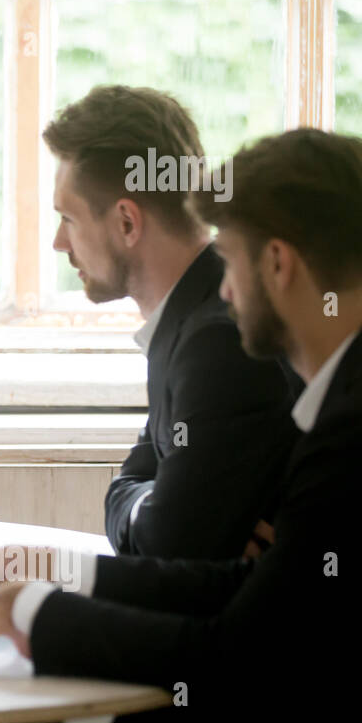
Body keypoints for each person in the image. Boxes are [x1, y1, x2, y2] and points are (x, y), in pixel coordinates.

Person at [0, 127, 362, 723]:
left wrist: (36, 614)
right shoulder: (352, 395)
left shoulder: (354, 428)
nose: (224, 290)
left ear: (277, 264)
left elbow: (235, 653)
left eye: (229, 262)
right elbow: (252, 582)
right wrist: (55, 576)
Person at [46, 85, 300, 559]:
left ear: (126, 222)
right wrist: (154, 503)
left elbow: (168, 543)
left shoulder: (219, 340)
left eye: (68, 217)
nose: (59, 242)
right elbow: (134, 485)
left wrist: (157, 508)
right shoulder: (190, 316)